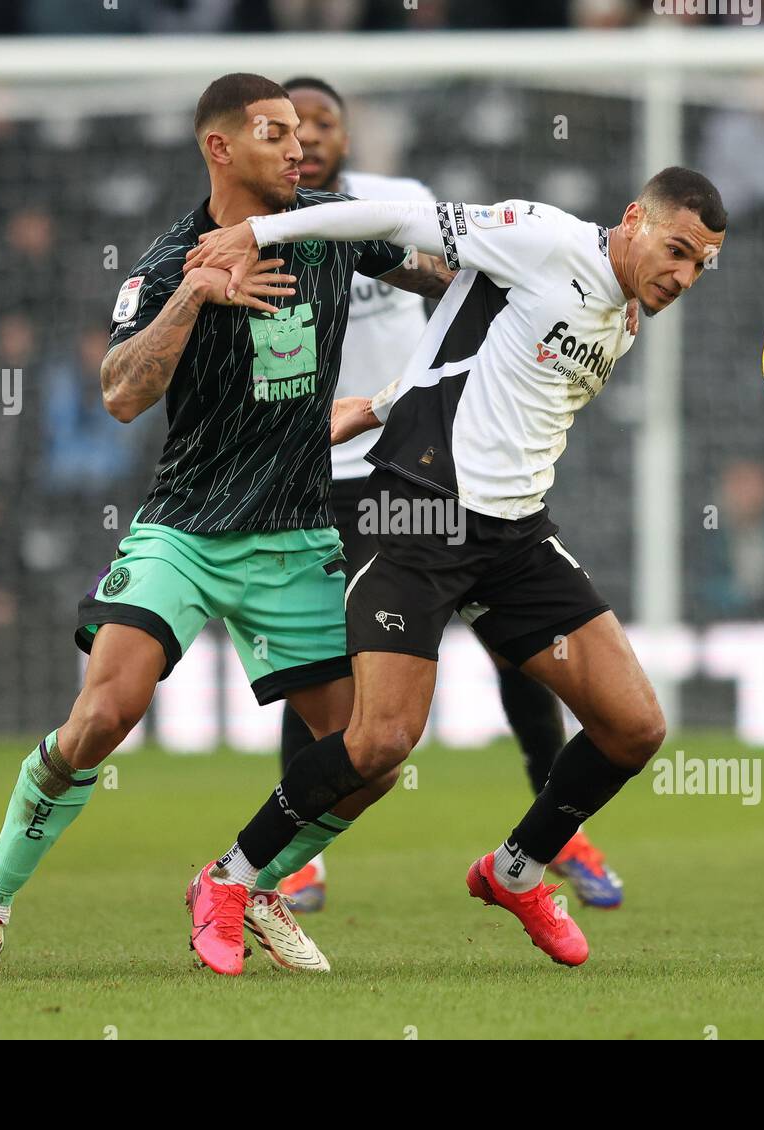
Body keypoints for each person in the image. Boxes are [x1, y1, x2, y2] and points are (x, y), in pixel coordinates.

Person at [0, 72, 449, 980]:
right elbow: (122, 394)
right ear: (220, 147)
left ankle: (247, 884)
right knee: (101, 717)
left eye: (301, 132)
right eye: (274, 133)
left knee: (372, 755)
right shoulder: (170, 262)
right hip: (188, 531)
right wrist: (194, 298)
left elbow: (443, 273)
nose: (300, 148)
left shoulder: (330, 230)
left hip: (296, 534)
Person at [186, 166, 725, 973]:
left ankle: (516, 870)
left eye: (700, 266)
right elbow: (400, 220)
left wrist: (379, 399)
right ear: (634, 219)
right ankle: (227, 880)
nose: (683, 276)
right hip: (417, 514)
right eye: (677, 250)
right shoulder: (540, 237)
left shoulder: (625, 317)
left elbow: (474, 360)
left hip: (515, 542)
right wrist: (257, 234)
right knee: (380, 742)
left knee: (635, 726)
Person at [275, 75, 624, 913]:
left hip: (415, 462)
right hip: (319, 472)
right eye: (292, 125)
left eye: (325, 121)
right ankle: (295, 858)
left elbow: (459, 281)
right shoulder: (246, 239)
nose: (310, 137)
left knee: (518, 648)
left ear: (348, 136)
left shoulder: (394, 202)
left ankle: (557, 824)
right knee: (325, 663)